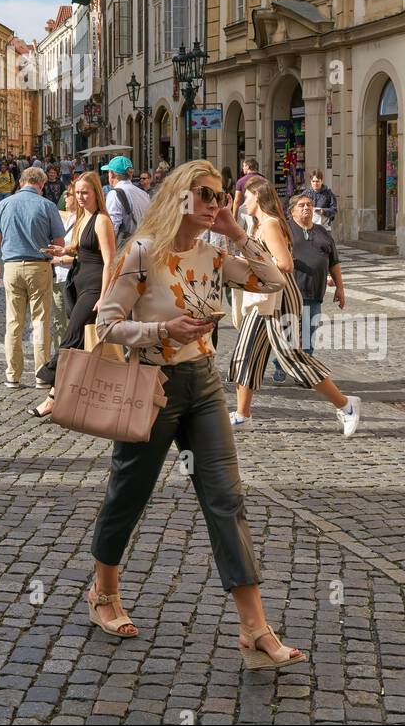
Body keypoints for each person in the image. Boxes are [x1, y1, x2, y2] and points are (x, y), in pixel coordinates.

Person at [87, 160, 304, 666]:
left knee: (226, 498)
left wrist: (236, 232)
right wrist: (162, 332)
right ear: (179, 197)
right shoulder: (142, 253)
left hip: (204, 385)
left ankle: (254, 627)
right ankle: (104, 593)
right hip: (153, 385)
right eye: (205, 195)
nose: (215, 204)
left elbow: (272, 280)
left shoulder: (211, 254)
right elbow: (108, 322)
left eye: (221, 196)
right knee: (129, 490)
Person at [228, 179, 361, 434]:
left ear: (258, 196)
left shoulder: (270, 224)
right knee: (246, 352)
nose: (244, 201)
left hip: (280, 298)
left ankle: (346, 405)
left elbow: (285, 264)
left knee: (291, 357)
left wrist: (252, 264)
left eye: (247, 196)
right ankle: (243, 414)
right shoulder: (259, 225)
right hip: (264, 296)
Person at [33, 172, 116, 418]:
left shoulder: (102, 220)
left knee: (70, 339)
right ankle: (70, 398)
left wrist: (104, 295)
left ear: (95, 194)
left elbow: (110, 260)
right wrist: (62, 251)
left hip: (93, 287)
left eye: (85, 193)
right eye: (77, 193)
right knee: (79, 344)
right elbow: (81, 252)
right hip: (77, 284)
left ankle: (51, 393)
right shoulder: (83, 217)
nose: (80, 197)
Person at [0, 166, 66, 388]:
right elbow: (59, 244)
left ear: (21, 182)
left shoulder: (5, 203)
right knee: (40, 321)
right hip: (38, 266)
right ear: (41, 184)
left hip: (12, 267)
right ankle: (41, 376)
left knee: (14, 322)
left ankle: (12, 375)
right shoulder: (47, 205)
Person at [288, 191, 345, 352]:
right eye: (302, 205)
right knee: (289, 334)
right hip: (291, 291)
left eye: (309, 205)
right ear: (292, 211)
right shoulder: (284, 229)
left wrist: (340, 288)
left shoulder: (322, 232)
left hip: (314, 293)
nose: (307, 207)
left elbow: (334, 262)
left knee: (309, 335)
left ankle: (306, 367)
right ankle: (282, 365)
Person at [47, 185, 78, 359]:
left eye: (69, 195)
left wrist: (59, 259)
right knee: (59, 320)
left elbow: (82, 254)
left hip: (74, 276)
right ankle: (60, 358)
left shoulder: (83, 221)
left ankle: (73, 356)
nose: (65, 198)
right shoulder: (58, 217)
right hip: (58, 276)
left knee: (73, 319)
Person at [101, 156, 150, 241]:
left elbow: (112, 228)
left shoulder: (114, 194)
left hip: (126, 249)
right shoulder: (144, 194)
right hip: (144, 245)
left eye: (108, 172)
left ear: (112, 174)